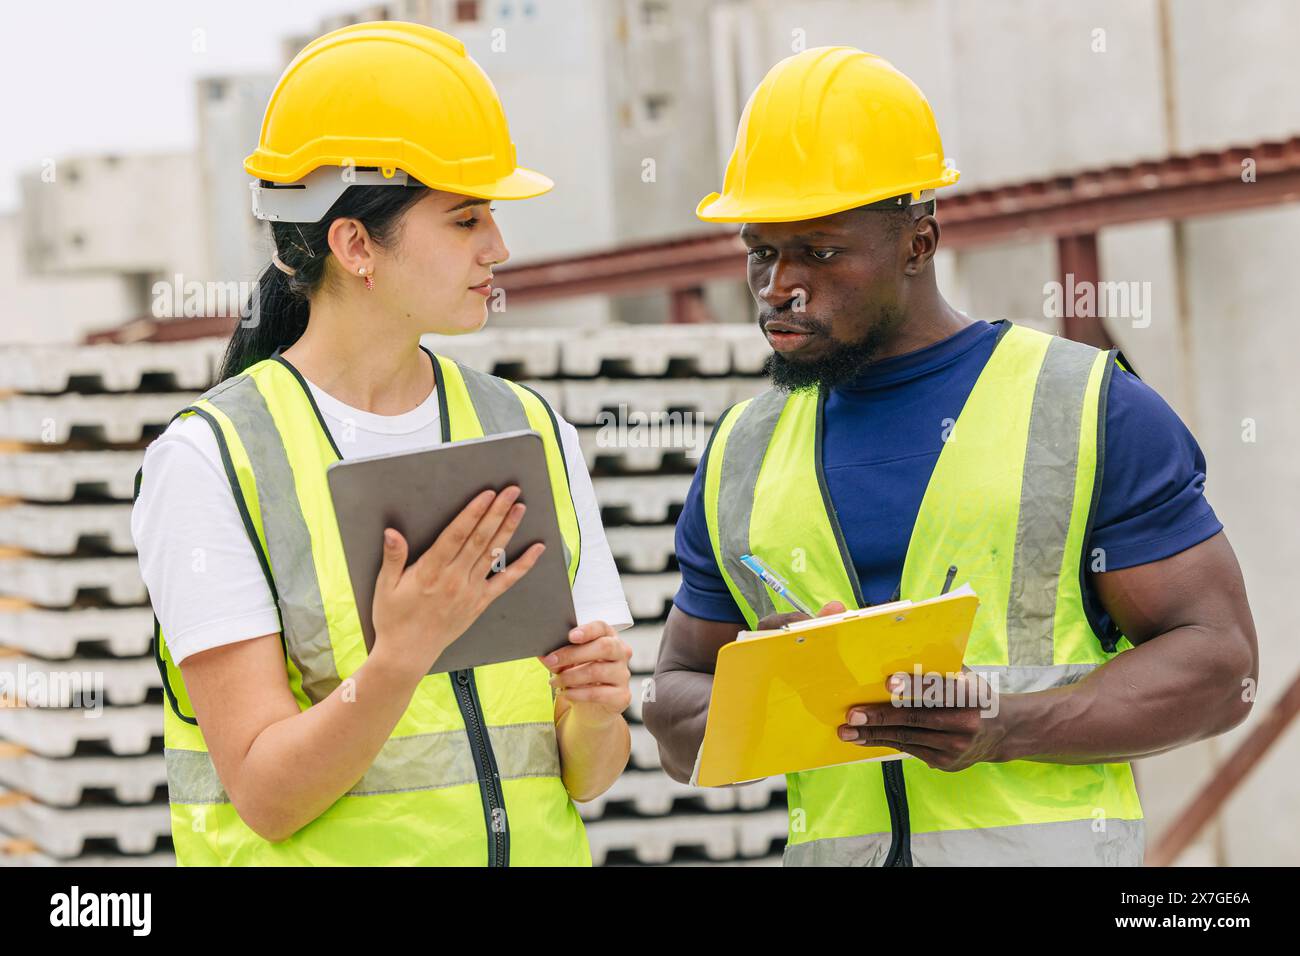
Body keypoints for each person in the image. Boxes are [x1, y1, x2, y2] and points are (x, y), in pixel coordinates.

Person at [644, 46, 1258, 866]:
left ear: (918, 243)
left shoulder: (1082, 408)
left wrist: (1009, 724)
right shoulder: (743, 453)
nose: (779, 285)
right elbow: (676, 716)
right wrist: (765, 686)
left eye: (820, 252)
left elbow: (1220, 666)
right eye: (762, 252)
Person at [131, 21, 633, 866]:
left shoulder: (528, 429)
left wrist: (597, 710)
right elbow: (264, 794)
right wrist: (400, 657)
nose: (498, 248)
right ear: (355, 244)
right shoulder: (212, 460)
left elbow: (588, 776)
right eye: (465, 218)